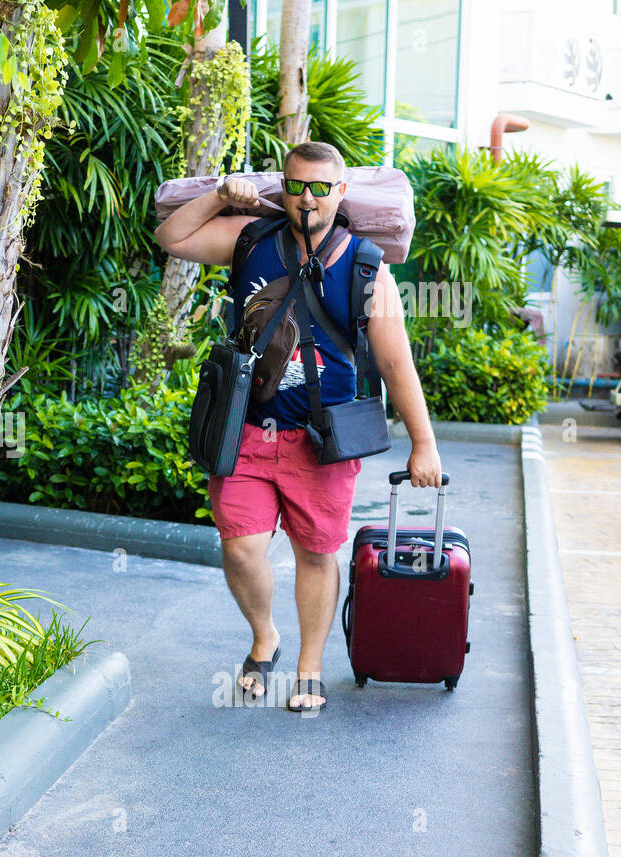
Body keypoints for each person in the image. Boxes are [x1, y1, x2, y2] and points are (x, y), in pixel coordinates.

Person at [154, 141, 443, 713]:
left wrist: (424, 443)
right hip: (248, 431)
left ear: (340, 192)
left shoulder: (366, 268)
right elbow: (173, 238)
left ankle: (310, 665)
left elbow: (394, 362)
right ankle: (265, 636)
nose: (306, 198)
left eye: (320, 188)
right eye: (296, 186)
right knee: (240, 550)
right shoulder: (252, 241)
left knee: (316, 554)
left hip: (322, 441)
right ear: (282, 188)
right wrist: (220, 194)